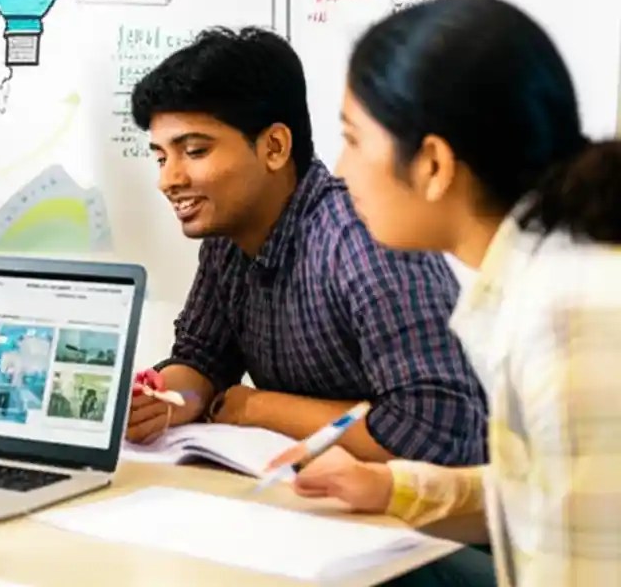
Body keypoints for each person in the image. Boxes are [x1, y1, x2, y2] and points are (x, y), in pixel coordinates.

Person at [287, 0, 621, 586]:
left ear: (434, 165)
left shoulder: (567, 321)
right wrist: (391, 487)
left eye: (354, 139)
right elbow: (544, 494)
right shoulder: (542, 278)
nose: (340, 170)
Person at [125, 26, 487, 467]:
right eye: (161, 157)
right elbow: (202, 360)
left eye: (195, 151)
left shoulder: (365, 241)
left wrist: (256, 408)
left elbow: (437, 432)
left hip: (424, 502)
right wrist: (167, 399)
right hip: (312, 491)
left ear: (275, 147)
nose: (168, 180)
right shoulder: (227, 240)